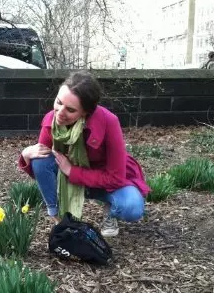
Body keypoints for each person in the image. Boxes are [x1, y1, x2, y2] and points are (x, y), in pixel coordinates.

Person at [18, 72, 150, 237]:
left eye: (70, 110)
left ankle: (111, 210)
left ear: (85, 112)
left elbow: (115, 177)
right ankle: (60, 220)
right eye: (58, 102)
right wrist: (26, 154)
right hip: (74, 178)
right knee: (39, 158)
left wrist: (71, 171)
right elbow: (41, 170)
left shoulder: (109, 122)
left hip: (105, 179)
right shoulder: (52, 121)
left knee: (132, 209)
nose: (59, 113)